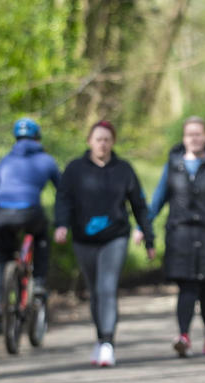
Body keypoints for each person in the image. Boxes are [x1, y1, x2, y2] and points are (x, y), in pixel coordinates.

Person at [54, 120, 154, 367]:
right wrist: (61, 225)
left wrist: (148, 237)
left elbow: (139, 205)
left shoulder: (124, 169)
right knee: (94, 292)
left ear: (113, 142)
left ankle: (108, 343)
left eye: (107, 139)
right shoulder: (75, 169)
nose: (102, 143)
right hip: (83, 238)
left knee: (107, 287)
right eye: (98, 138)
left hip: (115, 237)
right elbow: (63, 199)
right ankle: (100, 339)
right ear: (89, 141)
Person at [139, 116, 205, 357]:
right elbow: (158, 199)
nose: (194, 138)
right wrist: (143, 225)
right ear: (184, 138)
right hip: (180, 236)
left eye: (198, 134)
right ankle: (184, 336)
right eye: (189, 134)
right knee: (187, 287)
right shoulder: (173, 164)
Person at [0, 118, 61, 331]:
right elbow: (62, 190)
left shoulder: (5, 160)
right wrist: (63, 217)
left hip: (1, 213)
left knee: (2, 257)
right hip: (29, 212)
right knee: (41, 235)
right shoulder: (47, 160)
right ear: (38, 138)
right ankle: (40, 284)